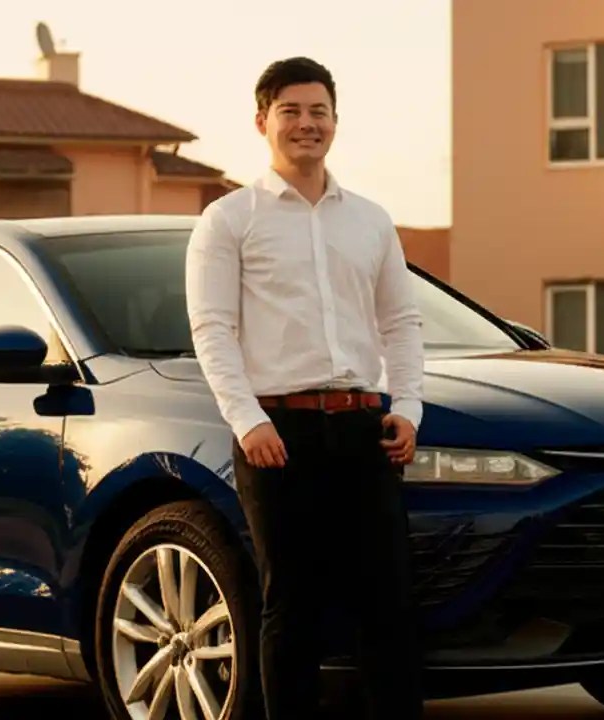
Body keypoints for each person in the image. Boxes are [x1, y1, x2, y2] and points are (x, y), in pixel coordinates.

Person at [185, 56, 425, 720]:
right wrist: (245, 419)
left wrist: (406, 405)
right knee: (292, 603)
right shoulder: (230, 220)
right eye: (291, 111)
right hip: (277, 434)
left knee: (388, 601)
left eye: (319, 112)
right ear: (263, 122)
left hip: (363, 429)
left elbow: (401, 322)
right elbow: (213, 327)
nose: (306, 124)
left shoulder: (371, 221)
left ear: (336, 123)